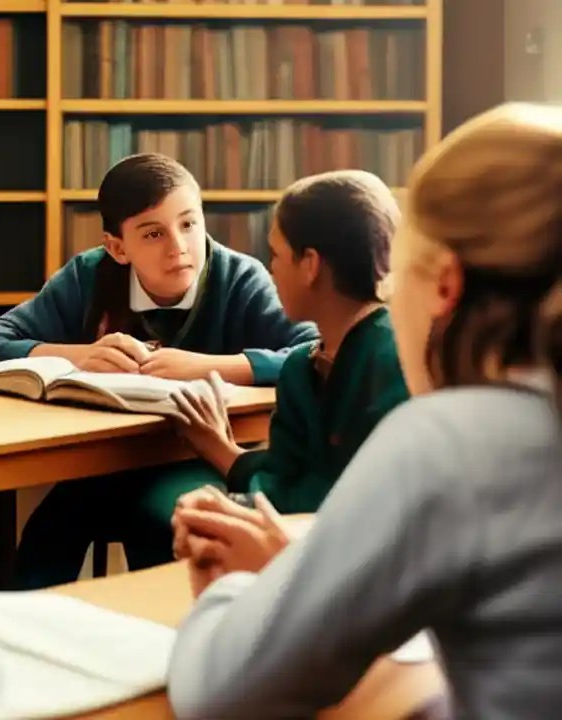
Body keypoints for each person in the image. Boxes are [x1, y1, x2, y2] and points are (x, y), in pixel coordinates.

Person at [168, 102, 562, 719]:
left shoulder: (453, 444)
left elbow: (226, 692)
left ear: (445, 286)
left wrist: (239, 592)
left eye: (397, 275)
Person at [0, 153, 316, 588]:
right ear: (117, 247)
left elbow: (313, 350)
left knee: (161, 522)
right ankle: (16, 640)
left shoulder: (239, 278)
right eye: (154, 233)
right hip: (105, 461)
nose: (178, 245)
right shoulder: (88, 277)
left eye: (189, 224)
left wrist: (210, 367)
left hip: (195, 457)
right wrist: (77, 355)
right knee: (49, 531)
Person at [170, 169, 409, 515]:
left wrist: (229, 484)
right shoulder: (301, 366)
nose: (271, 270)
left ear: (310, 265)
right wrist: (222, 450)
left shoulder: (394, 359)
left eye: (276, 255)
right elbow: (283, 480)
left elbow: (344, 502)